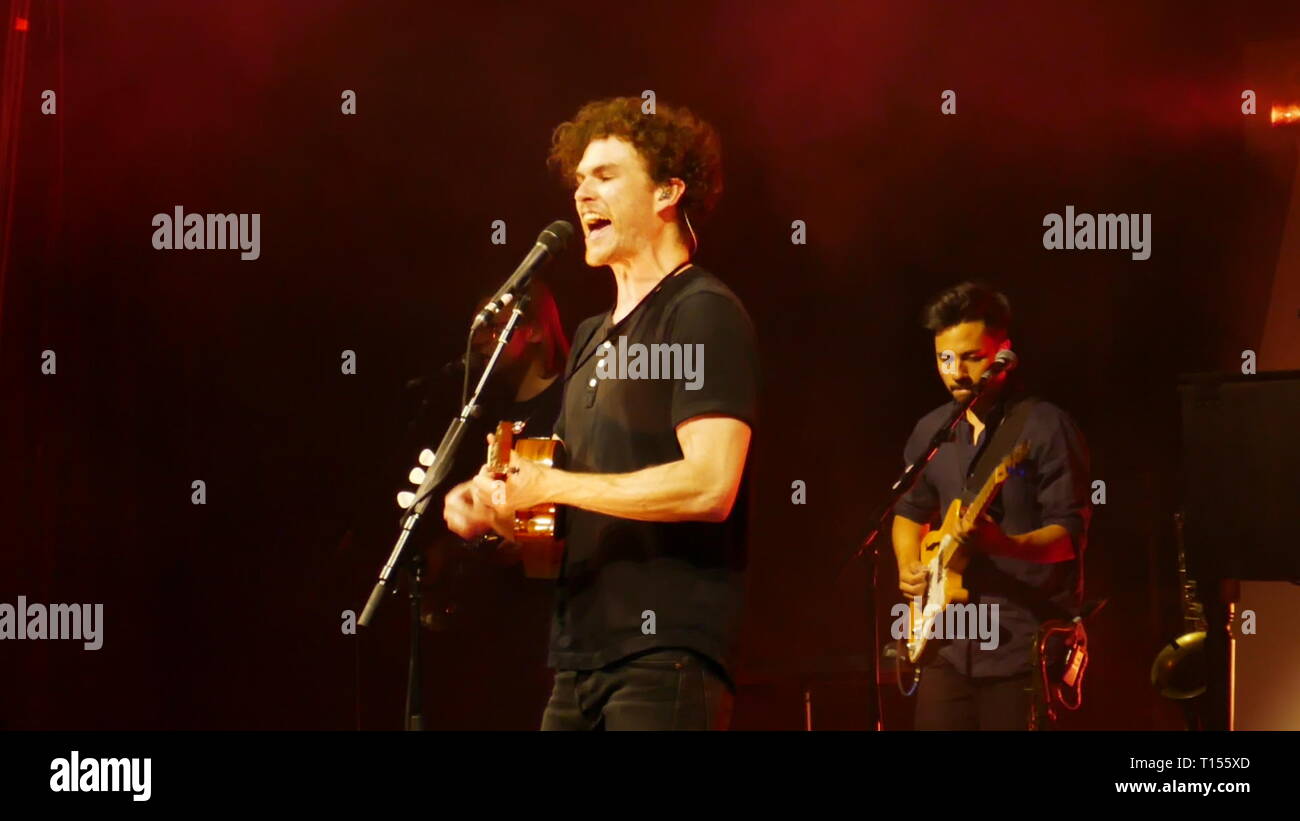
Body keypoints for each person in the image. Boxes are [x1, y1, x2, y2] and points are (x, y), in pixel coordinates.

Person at [443, 96, 759, 730]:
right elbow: (556, 534)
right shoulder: (591, 336)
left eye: (606, 176)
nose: (582, 193)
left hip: (664, 656)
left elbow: (711, 485)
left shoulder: (699, 311)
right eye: (579, 178)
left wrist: (554, 484)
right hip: (577, 662)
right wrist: (493, 511)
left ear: (669, 192)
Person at [892, 282, 1090, 730]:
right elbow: (908, 510)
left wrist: (1003, 544)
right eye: (944, 358)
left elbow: (1068, 538)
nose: (956, 372)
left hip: (1023, 647)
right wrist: (908, 563)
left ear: (1004, 354)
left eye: (971, 357)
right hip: (946, 644)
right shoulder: (932, 431)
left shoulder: (1044, 426)